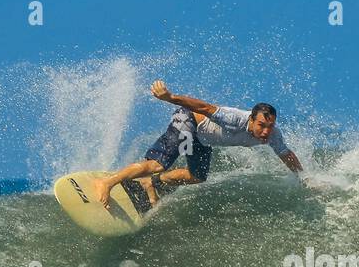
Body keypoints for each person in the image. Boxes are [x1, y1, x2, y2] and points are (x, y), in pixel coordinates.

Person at [95, 80, 304, 211]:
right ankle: (107, 182)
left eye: (270, 126)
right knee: (158, 163)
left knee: (197, 176)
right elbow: (203, 106)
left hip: (202, 139)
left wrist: (302, 177)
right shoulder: (234, 119)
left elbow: (286, 154)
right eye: (261, 125)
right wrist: (170, 97)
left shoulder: (273, 135)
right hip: (188, 121)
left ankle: (150, 182)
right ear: (251, 119)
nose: (266, 131)